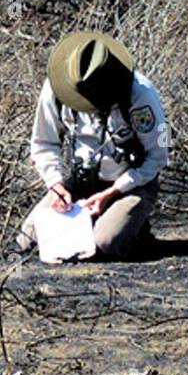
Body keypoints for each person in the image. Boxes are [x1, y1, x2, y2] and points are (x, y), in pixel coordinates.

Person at [17, 30, 168, 259]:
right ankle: (101, 220)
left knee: (106, 243)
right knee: (28, 240)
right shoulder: (55, 89)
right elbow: (43, 143)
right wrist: (56, 185)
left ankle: (132, 227)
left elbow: (157, 157)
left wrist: (112, 192)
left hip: (130, 183)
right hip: (81, 181)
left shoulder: (140, 95)